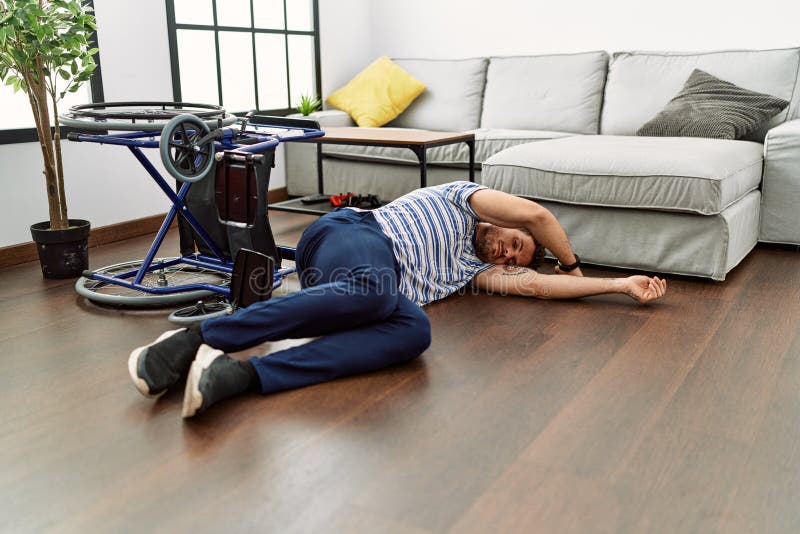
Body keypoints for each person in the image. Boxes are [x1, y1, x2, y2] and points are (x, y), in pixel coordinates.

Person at [128, 181, 667, 418]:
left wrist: (617, 286)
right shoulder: (461, 197)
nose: (508, 255)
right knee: (373, 289)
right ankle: (194, 338)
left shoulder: (474, 270)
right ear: (506, 223)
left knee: (415, 332)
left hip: (362, 294)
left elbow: (540, 286)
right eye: (516, 245)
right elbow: (539, 217)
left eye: (514, 260)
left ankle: (239, 377)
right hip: (350, 236)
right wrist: (572, 260)